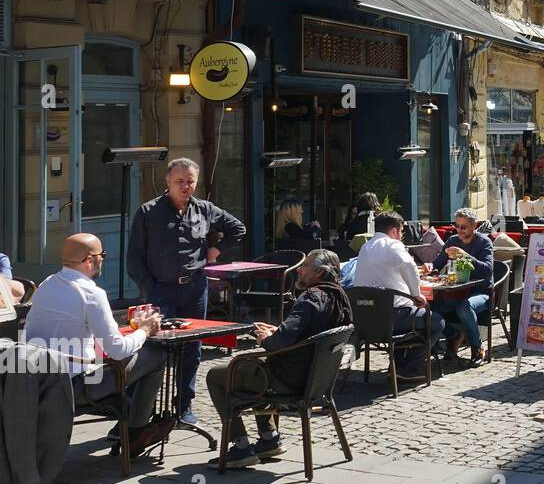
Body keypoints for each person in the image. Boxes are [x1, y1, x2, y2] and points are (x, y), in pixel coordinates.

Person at [24, 234, 172, 457]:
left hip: (38, 382)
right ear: (89, 260)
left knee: (123, 358)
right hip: (75, 387)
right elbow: (116, 350)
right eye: (102, 255)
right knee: (156, 355)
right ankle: (136, 432)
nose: (103, 259)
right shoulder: (91, 293)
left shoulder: (46, 285)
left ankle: (130, 416)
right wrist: (145, 330)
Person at [206, 249, 353, 468]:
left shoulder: (311, 297)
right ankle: (268, 440)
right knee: (252, 365)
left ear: (319, 273)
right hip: (315, 379)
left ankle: (241, 447)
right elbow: (306, 335)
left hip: (287, 379)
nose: (299, 270)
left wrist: (267, 337)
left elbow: (277, 344)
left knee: (218, 375)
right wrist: (279, 331)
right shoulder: (340, 298)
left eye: (305, 267)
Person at [127, 157, 245, 427]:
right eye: (180, 181)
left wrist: (215, 251)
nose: (186, 186)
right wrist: (150, 289)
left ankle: (184, 406)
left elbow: (237, 228)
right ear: (168, 181)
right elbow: (134, 258)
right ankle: (136, 412)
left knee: (192, 349)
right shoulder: (148, 212)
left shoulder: (204, 209)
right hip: (161, 290)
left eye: (190, 181)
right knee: (152, 350)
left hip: (194, 288)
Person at [352, 211, 444, 378]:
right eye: (401, 231)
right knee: (436, 322)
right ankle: (406, 368)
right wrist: (416, 295)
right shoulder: (392, 245)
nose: (401, 236)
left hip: (366, 320)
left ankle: (396, 365)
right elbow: (408, 266)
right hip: (391, 318)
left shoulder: (365, 247)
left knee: (414, 317)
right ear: (394, 231)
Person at [429, 208, 495, 367]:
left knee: (465, 307)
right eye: (456, 226)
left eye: (463, 227)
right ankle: (452, 335)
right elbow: (437, 264)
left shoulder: (484, 242)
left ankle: (477, 347)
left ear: (474, 226)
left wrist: (464, 255)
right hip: (456, 291)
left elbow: (487, 269)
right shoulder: (452, 240)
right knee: (430, 307)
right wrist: (429, 267)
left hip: (481, 292)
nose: (459, 230)